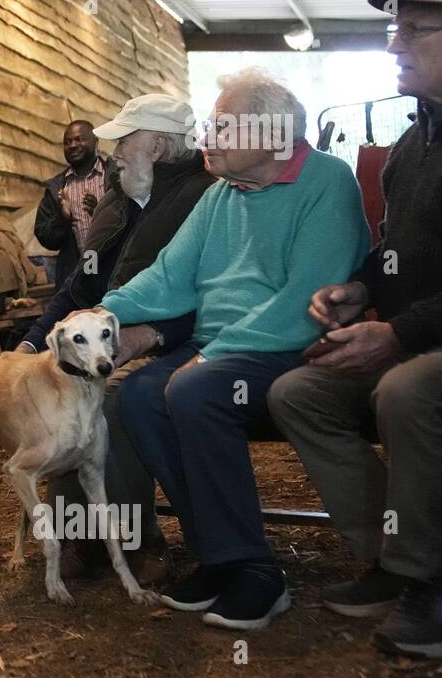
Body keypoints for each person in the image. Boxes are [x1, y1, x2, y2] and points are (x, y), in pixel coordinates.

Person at [101, 69, 370, 631]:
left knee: (194, 388)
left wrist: (214, 353)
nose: (207, 138)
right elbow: (169, 278)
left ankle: (256, 573)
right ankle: (220, 554)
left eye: (222, 126)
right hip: (221, 349)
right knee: (138, 396)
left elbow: (305, 299)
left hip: (289, 346)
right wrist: (104, 313)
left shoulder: (327, 180)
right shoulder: (219, 195)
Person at [268, 0, 442, 659]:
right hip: (415, 334)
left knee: (407, 388)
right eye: (393, 29)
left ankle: (434, 581)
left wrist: (397, 334)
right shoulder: (410, 144)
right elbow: (396, 252)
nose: (394, 44)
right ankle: (399, 560)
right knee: (298, 392)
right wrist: (358, 290)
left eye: (413, 30)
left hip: (423, 347)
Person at [16, 95, 215, 584]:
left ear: (160, 145)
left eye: (125, 141)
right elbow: (78, 289)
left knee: (111, 394)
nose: (116, 152)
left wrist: (154, 335)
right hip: (101, 336)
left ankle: (139, 538)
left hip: (175, 339)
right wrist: (30, 342)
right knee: (60, 385)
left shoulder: (204, 198)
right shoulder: (116, 200)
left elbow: (212, 295)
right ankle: (77, 533)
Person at [34, 121, 113, 285]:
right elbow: (44, 236)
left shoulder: (115, 177)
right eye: (67, 142)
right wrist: (62, 218)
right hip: (77, 279)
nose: (72, 145)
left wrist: (102, 213)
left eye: (79, 139)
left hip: (115, 271)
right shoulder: (57, 188)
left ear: (95, 141)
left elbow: (135, 219)